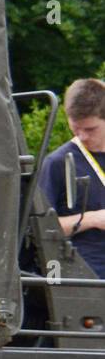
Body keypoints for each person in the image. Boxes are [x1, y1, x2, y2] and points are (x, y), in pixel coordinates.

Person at [38, 78, 105, 278]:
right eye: (75, 128)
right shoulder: (57, 163)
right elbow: (39, 230)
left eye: (90, 129)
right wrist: (92, 219)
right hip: (84, 278)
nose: (82, 136)